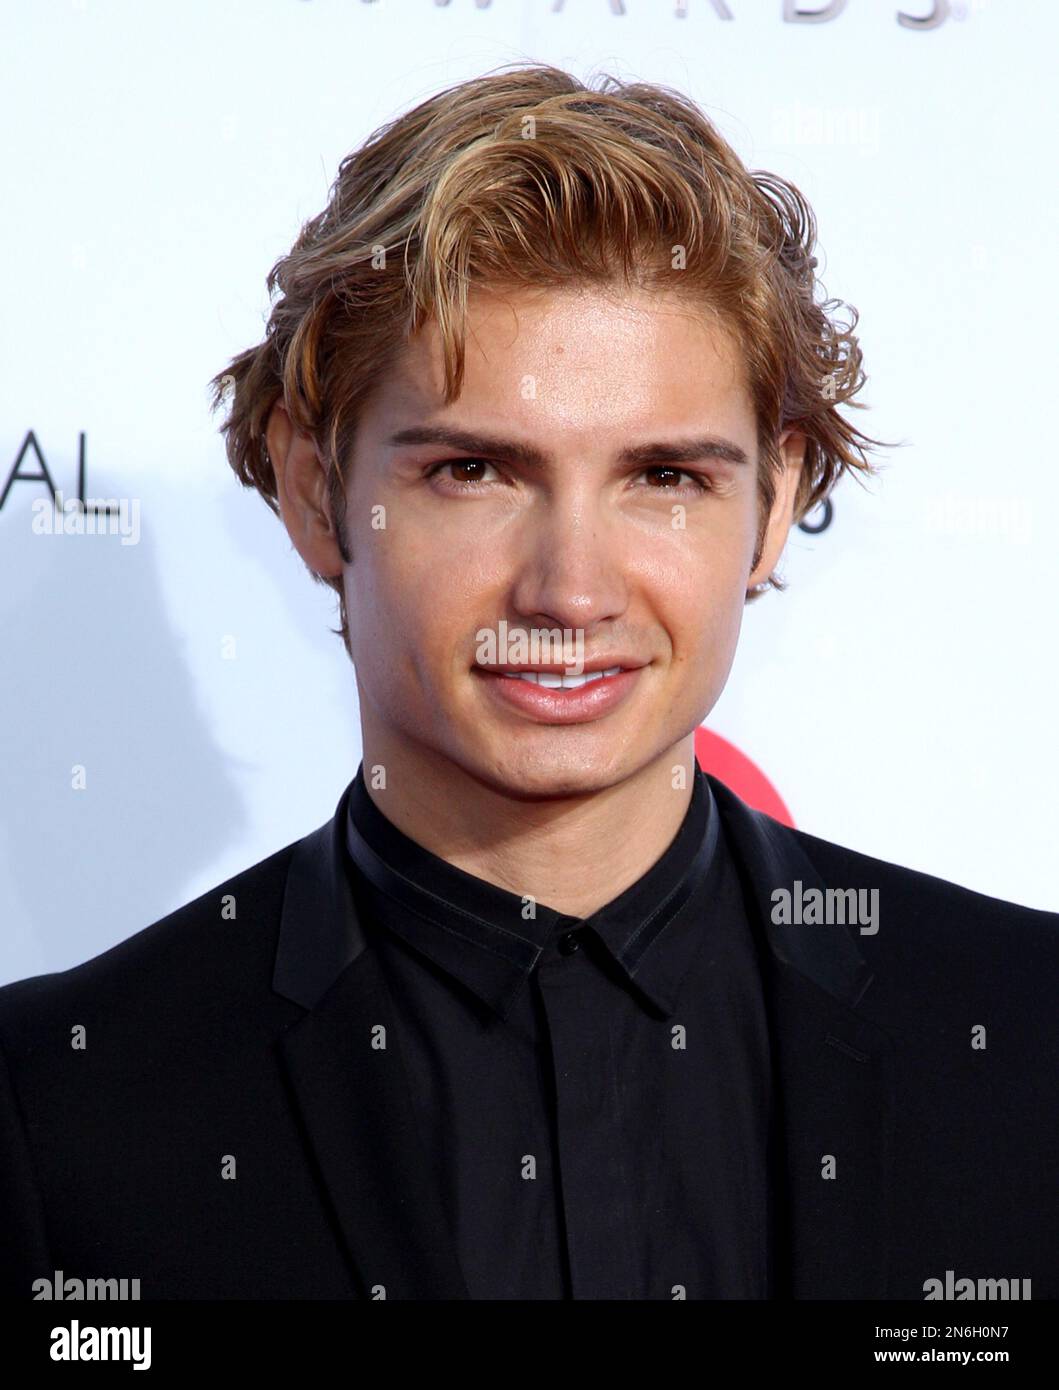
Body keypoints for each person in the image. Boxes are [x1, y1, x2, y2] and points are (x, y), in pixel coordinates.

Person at [1, 63, 1055, 1302]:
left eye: (664, 477)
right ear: (310, 489)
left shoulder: (1026, 1039)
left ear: (777, 505)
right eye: (476, 472)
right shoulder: (61, 1101)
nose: (570, 590)